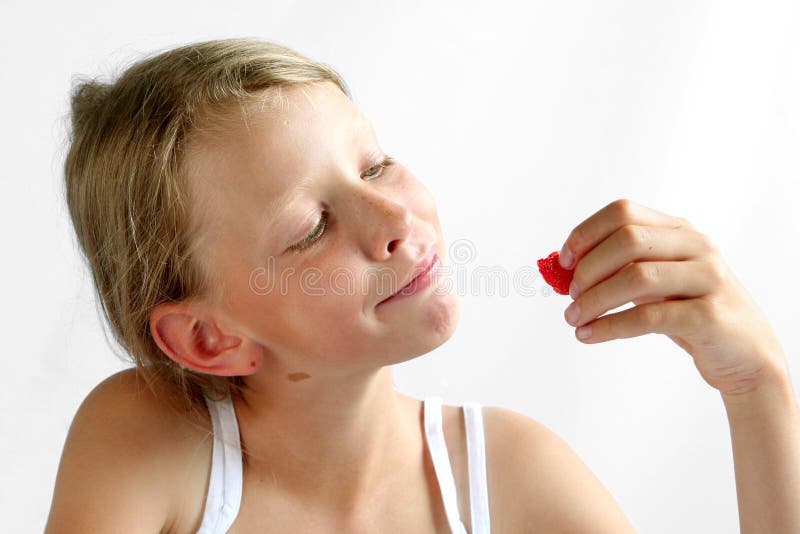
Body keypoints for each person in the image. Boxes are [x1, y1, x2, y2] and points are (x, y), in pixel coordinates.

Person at [46, 38, 799, 533]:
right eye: (311, 227)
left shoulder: (505, 474)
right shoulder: (151, 441)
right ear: (211, 339)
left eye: (375, 165)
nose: (395, 217)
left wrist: (757, 388)